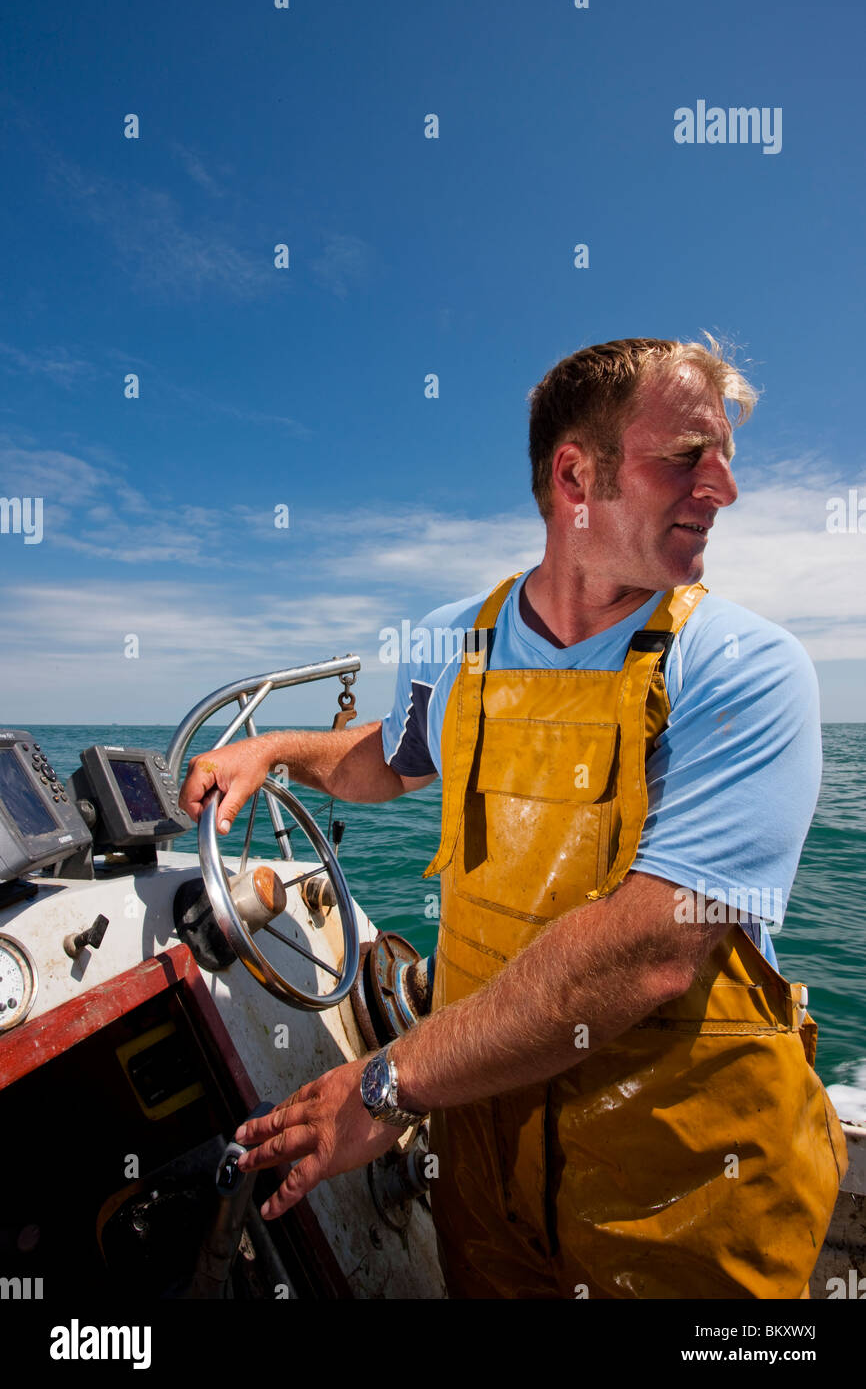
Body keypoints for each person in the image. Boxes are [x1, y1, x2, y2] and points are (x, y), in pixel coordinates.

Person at [179, 336, 847, 1299]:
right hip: (479, 1143)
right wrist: (275, 748)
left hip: (684, 1180)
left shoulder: (748, 670)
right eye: (688, 456)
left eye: (727, 458)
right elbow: (390, 758)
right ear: (576, 475)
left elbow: (652, 947)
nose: (725, 489)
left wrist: (387, 1085)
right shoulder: (459, 638)